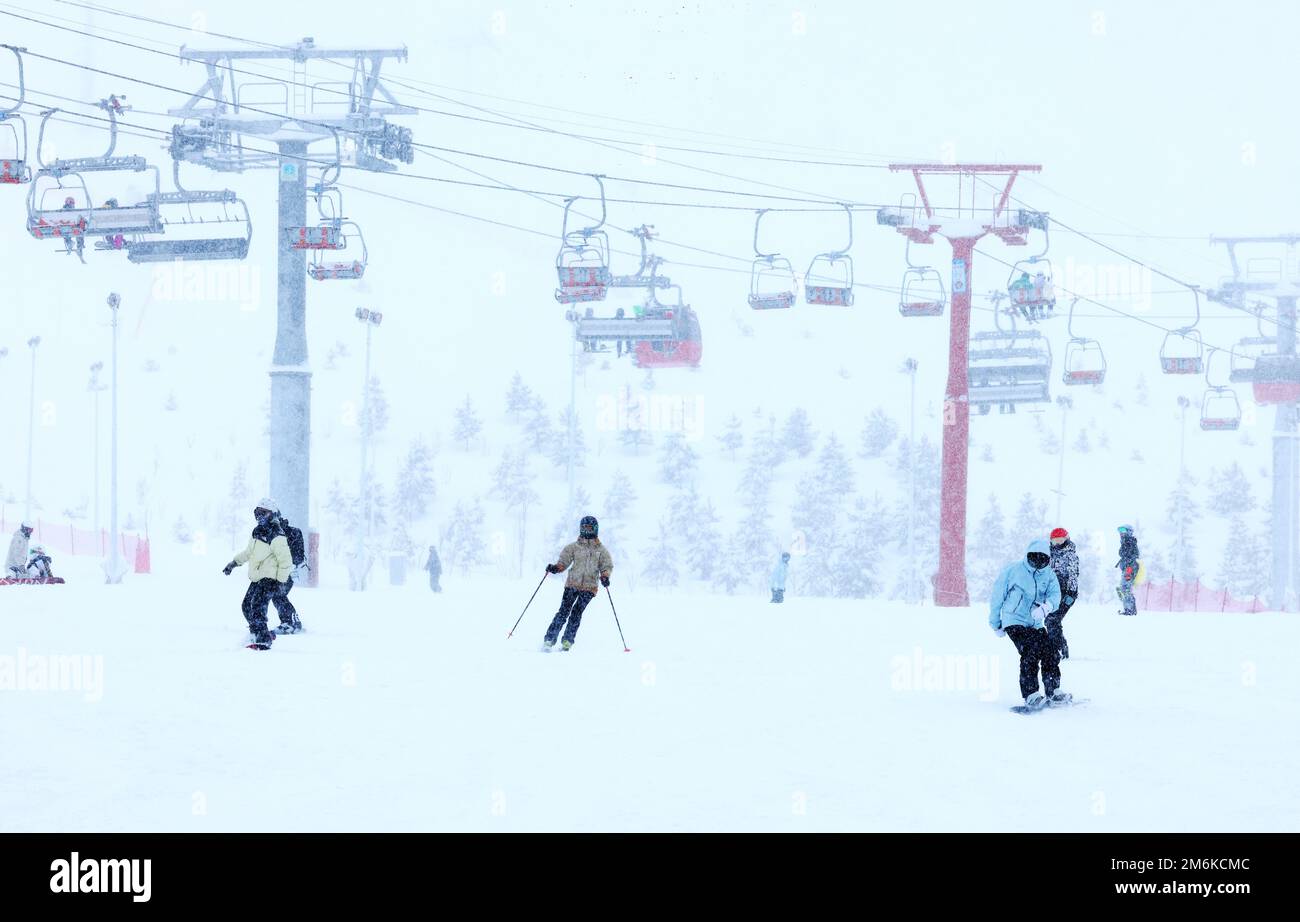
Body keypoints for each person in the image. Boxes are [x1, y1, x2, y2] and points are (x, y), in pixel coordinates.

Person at [990, 538, 1065, 709]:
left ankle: (1053, 690)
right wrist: (995, 622)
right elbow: (997, 595)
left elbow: (1055, 595)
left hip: (1035, 622)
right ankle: (1031, 694)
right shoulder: (1013, 570)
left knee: (1051, 651)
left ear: (1048, 559)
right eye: (1034, 558)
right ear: (1028, 556)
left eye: (1043, 559)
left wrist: (1046, 608)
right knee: (1031, 650)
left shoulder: (1049, 575)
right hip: (1013, 620)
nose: (1038, 562)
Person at [221, 499, 292, 650]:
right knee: (246, 606)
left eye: (263, 513)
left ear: (272, 514)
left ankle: (263, 640)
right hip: (258, 578)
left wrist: (280, 583)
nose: (260, 517)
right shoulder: (257, 532)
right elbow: (248, 552)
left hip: (270, 579)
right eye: (257, 513)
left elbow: (286, 561)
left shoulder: (276, 535)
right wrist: (233, 563)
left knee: (257, 606)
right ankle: (258, 631)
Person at [541, 515, 613, 651]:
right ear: (581, 529)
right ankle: (549, 639)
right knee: (563, 611)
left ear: (595, 529)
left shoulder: (601, 551)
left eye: (590, 528)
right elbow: (564, 562)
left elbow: (607, 566)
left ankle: (568, 640)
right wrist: (556, 568)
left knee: (576, 612)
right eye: (584, 528)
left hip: (589, 588)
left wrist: (605, 576)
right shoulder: (573, 547)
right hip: (572, 585)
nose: (587, 530)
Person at [271, 510, 305, 635]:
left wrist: (286, 563)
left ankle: (290, 622)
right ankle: (292, 621)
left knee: (278, 596)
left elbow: (298, 556)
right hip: (273, 572)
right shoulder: (270, 533)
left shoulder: (292, 532)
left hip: (288, 571)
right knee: (277, 596)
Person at [1047, 527, 1079, 659]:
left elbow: (1073, 575)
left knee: (1052, 620)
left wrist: (1071, 594)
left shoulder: (1070, 555)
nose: (1058, 544)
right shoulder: (1049, 553)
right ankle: (1057, 646)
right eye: (1055, 541)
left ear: (1066, 539)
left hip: (1066, 593)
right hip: (1052, 592)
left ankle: (1059, 648)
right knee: (1051, 621)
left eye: (1060, 540)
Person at [1116, 525, 1140, 616]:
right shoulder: (1125, 542)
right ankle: (1129, 609)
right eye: (1119, 530)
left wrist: (1129, 567)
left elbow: (1134, 556)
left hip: (1130, 568)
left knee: (1125, 588)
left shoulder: (1129, 541)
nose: (1121, 533)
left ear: (1129, 531)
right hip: (1128, 568)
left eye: (1123, 530)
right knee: (1124, 588)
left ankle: (1130, 610)